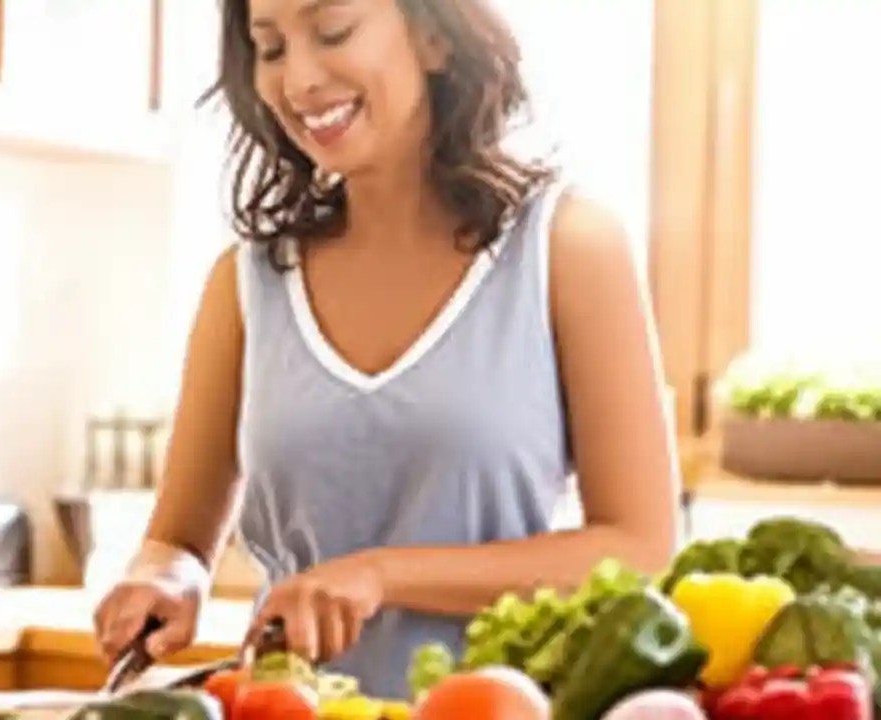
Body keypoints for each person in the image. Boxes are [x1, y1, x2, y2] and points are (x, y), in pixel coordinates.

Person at [93, 0, 679, 699]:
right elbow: (180, 542)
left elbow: (637, 550)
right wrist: (160, 580)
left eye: (333, 31)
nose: (299, 80)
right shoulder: (247, 282)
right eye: (271, 48)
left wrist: (381, 574)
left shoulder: (566, 248)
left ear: (434, 36)